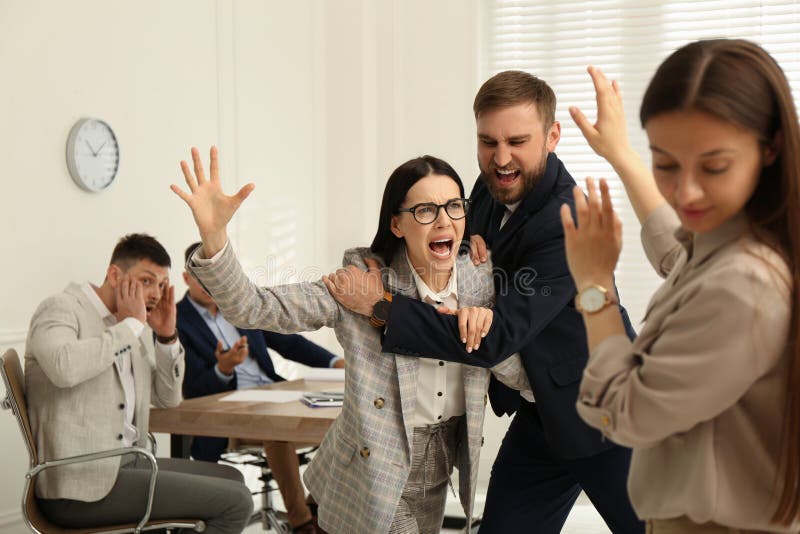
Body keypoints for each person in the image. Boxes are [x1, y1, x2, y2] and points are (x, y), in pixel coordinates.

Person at [325, 71, 642, 533]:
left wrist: (383, 306)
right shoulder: (491, 187)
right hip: (545, 414)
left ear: (552, 136)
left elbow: (496, 336)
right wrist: (464, 245)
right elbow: (448, 241)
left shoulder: (568, 218)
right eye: (488, 141)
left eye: (517, 140)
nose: (501, 157)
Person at [172, 148, 531, 534]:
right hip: (375, 465)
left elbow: (522, 376)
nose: (444, 220)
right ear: (397, 224)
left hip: (442, 459)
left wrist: (488, 336)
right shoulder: (360, 284)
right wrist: (215, 239)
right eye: (426, 210)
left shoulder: (481, 278)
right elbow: (252, 308)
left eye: (454, 206)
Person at [563, 39, 800, 532]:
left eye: (713, 167)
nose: (685, 191)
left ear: (771, 147)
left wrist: (594, 287)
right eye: (665, 163)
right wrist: (621, 154)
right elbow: (681, 258)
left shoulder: (744, 285)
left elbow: (623, 411)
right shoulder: (745, 245)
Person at [24, 233, 253, 533]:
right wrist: (130, 325)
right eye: (146, 281)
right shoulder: (62, 308)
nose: (156, 294)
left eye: (161, 284)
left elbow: (168, 397)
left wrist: (167, 337)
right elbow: (64, 369)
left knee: (232, 478)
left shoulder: (131, 325)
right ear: (114, 275)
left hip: (129, 464)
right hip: (80, 485)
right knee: (236, 502)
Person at [178, 241, 342, 533]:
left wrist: (333, 362)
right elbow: (192, 388)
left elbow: (289, 342)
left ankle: (316, 504)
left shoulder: (240, 305)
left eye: (213, 275)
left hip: (272, 392)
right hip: (229, 408)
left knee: (345, 421)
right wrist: (223, 368)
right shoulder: (178, 320)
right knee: (277, 428)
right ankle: (301, 522)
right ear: (186, 278)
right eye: (199, 275)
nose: (208, 283)